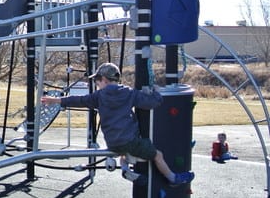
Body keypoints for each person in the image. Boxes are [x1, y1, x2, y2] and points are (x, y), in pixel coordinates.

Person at [41, 62, 195, 186]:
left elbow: (78, 101)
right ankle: (173, 179)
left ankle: (126, 169)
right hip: (130, 141)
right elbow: (153, 103)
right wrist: (156, 91)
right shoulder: (129, 93)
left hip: (113, 142)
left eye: (97, 81)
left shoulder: (99, 96)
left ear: (104, 80)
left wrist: (56, 100)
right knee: (157, 155)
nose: (97, 84)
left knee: (124, 153)